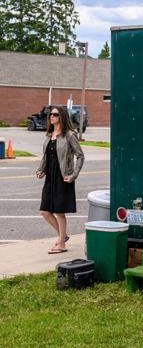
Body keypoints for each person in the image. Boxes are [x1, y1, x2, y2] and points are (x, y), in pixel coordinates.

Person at [36, 105, 84, 254]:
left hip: (63, 177)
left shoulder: (69, 135)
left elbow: (80, 155)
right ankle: (63, 236)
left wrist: (74, 174)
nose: (51, 116)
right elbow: (46, 156)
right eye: (51, 114)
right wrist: (41, 170)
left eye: (55, 114)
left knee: (59, 212)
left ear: (62, 117)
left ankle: (61, 243)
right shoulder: (49, 134)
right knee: (44, 211)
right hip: (50, 176)